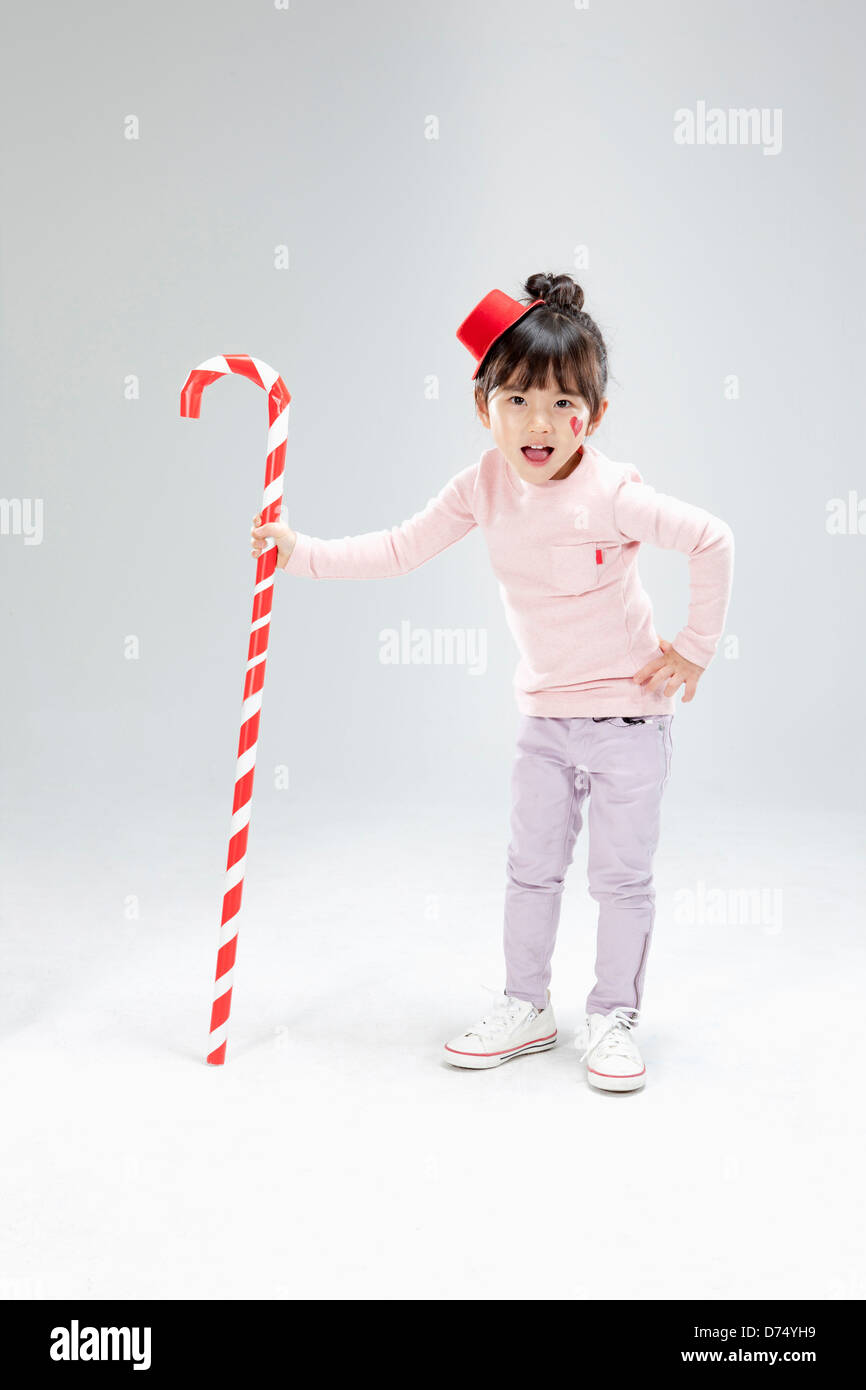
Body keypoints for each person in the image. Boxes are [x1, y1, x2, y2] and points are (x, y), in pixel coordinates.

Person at [251, 273, 734, 1093]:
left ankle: (612, 1016)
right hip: (544, 718)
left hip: (626, 721)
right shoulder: (482, 485)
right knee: (530, 869)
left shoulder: (615, 492)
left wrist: (694, 647)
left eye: (561, 405)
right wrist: (301, 554)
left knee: (620, 878)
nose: (538, 424)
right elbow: (399, 549)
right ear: (485, 407)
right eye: (517, 400)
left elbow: (712, 539)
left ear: (596, 416)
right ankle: (526, 1006)